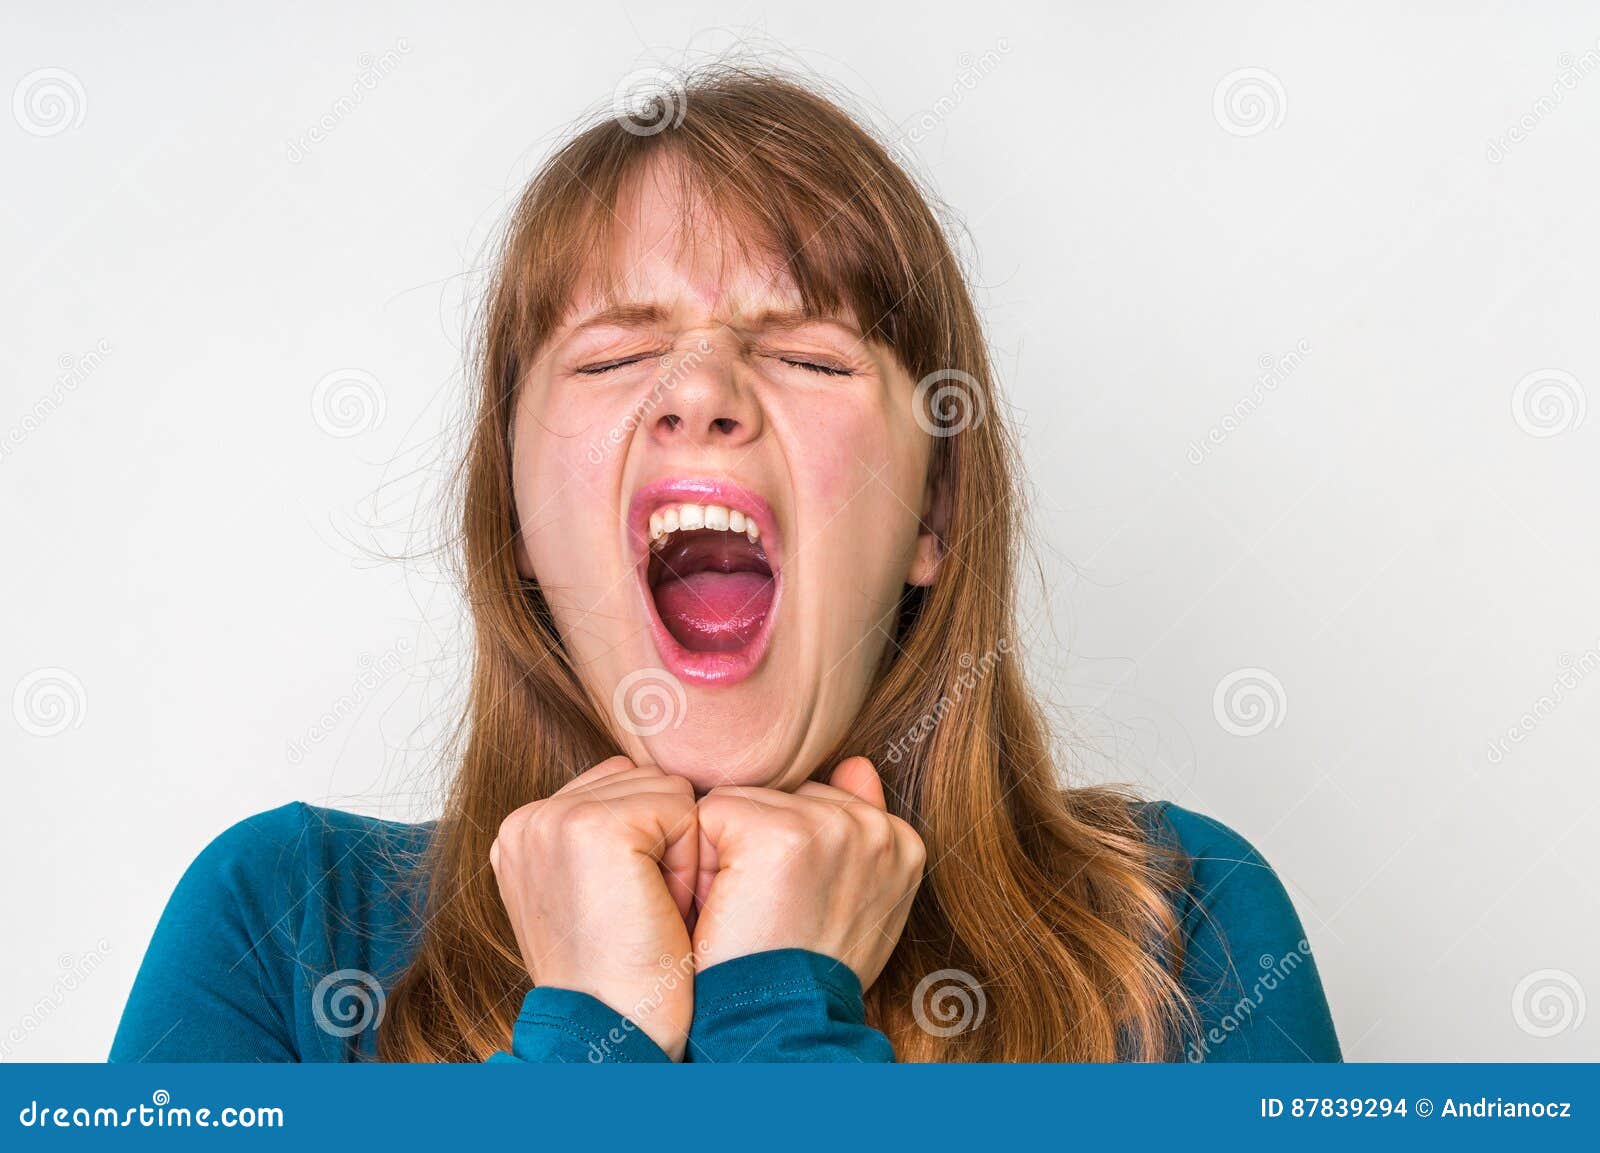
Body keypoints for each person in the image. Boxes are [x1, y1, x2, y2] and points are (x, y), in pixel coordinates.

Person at [111, 68, 1339, 1064]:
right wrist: (591, 1034)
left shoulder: (1178, 932)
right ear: (520, 518)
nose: (699, 392)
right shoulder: (283, 927)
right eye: (609, 358)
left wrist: (778, 1013)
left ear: (934, 513)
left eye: (808, 355)